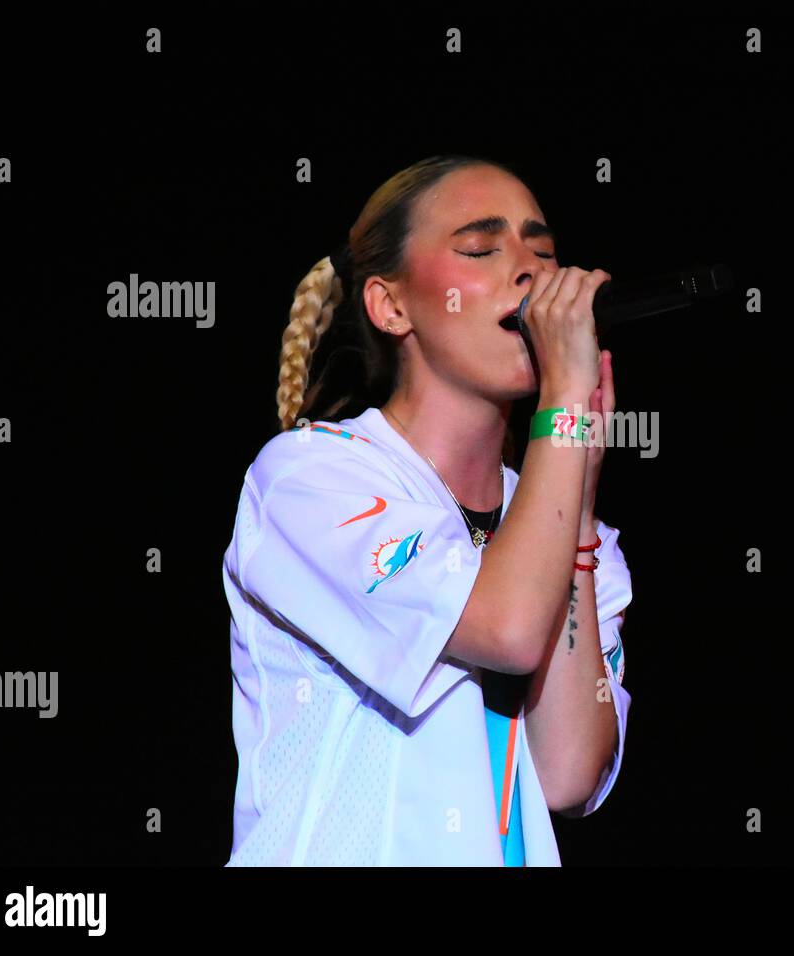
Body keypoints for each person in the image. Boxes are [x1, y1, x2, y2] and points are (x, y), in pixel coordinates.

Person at [220, 155, 632, 866]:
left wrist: (578, 489)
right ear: (392, 305)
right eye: (481, 249)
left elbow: (568, 773)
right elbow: (504, 627)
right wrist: (563, 405)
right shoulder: (310, 480)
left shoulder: (581, 537)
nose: (531, 272)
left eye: (544, 253)